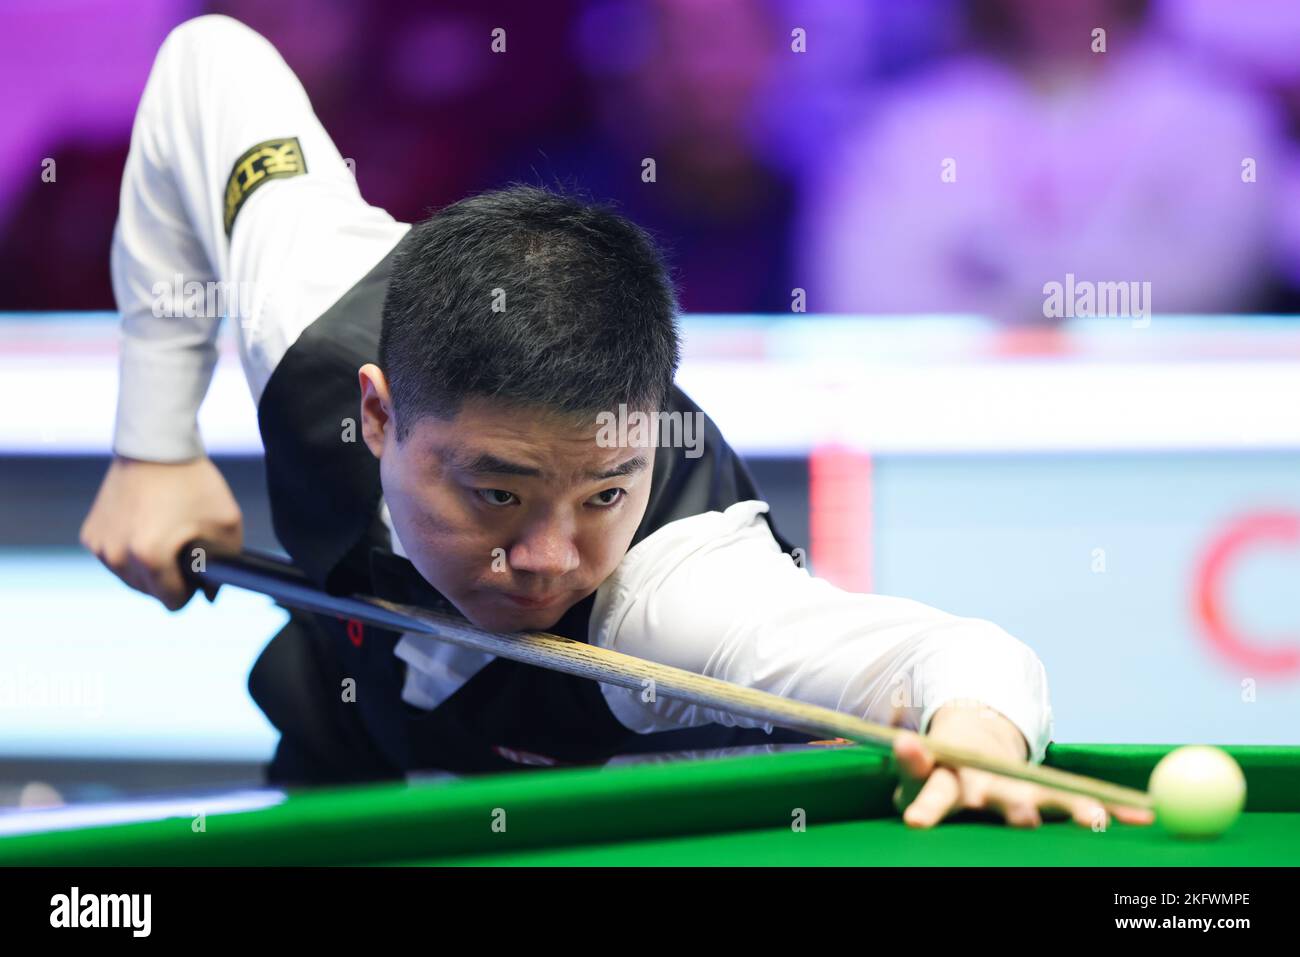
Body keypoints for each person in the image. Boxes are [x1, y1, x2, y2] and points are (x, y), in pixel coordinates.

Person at [81, 15, 1150, 831]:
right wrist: (153, 444)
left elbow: (958, 657)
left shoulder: (679, 597)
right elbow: (205, 66)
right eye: (495, 492)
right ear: (377, 412)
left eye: (604, 492)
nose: (550, 560)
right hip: (348, 756)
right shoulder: (310, 311)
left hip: (610, 826)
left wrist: (977, 727)